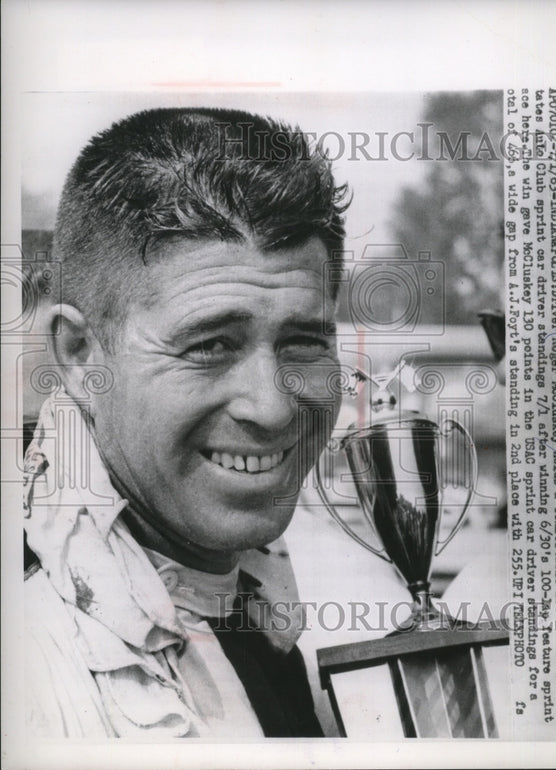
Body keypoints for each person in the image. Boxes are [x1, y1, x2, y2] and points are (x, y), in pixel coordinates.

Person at [23, 107, 352, 738]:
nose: (274, 406)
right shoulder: (32, 680)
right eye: (210, 346)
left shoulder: (291, 606)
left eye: (303, 342)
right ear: (80, 355)